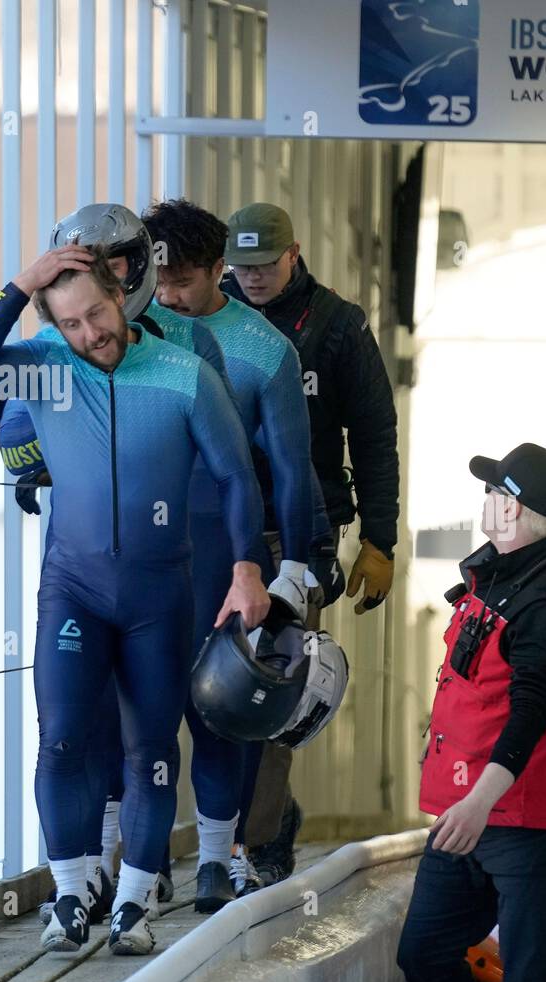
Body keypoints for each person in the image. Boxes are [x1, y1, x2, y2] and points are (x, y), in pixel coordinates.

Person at [0, 247, 270, 956]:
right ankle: (69, 895)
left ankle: (132, 904)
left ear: (123, 295)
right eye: (72, 322)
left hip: (160, 594)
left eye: (97, 312)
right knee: (61, 738)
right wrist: (21, 284)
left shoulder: (185, 376)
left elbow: (237, 475)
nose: (92, 331)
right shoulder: (45, 369)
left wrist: (248, 568)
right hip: (75, 590)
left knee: (150, 751)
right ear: (55, 327)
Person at [141, 197, 331, 908]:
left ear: (218, 270)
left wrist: (293, 567)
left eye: (183, 280)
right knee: (141, 714)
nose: (166, 295)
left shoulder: (263, 349)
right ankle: (147, 861)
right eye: (156, 280)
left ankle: (220, 860)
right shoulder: (124, 333)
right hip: (140, 560)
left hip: (225, 554)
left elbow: (289, 464)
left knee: (223, 706)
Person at [221, 202, 402, 889]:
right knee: (206, 686)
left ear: (295, 253)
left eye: (266, 264)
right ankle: (234, 830)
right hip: (216, 529)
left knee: (271, 688)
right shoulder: (204, 323)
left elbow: (375, 436)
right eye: (241, 266)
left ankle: (255, 844)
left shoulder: (337, 327)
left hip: (300, 534)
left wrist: (380, 539)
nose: (254, 277)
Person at [396, 443, 546, 982]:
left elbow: (531, 713)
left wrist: (479, 802)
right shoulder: (503, 576)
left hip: (522, 822)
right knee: (424, 953)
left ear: (513, 510)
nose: (484, 501)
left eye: (494, 491)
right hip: (471, 812)